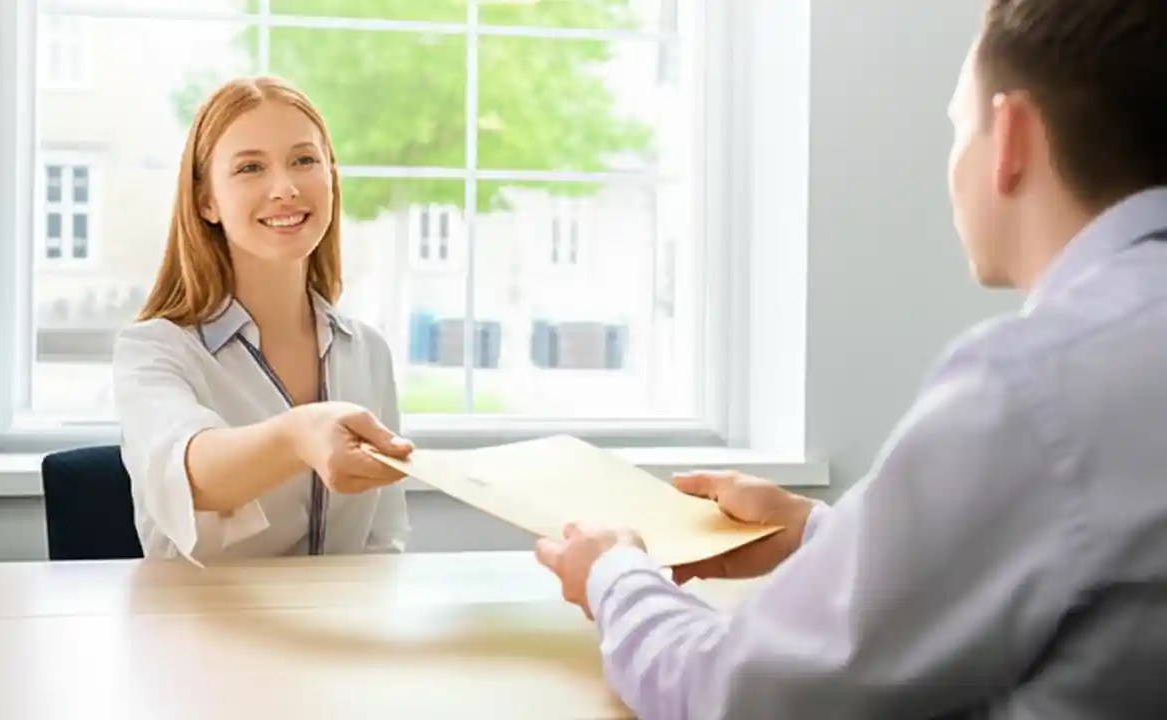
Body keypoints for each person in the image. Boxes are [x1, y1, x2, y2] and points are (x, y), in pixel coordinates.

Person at [535, 1, 1167, 717]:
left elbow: (740, 698)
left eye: (959, 126)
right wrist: (815, 534)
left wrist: (616, 577)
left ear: (1012, 139)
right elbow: (1084, 548)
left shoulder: (1035, 384)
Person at [113, 76, 412, 563]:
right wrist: (299, 435)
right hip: (200, 632)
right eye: (251, 167)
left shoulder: (367, 351)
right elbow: (188, 475)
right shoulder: (154, 351)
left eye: (304, 160)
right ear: (206, 200)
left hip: (342, 631)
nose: (286, 188)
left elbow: (383, 541)